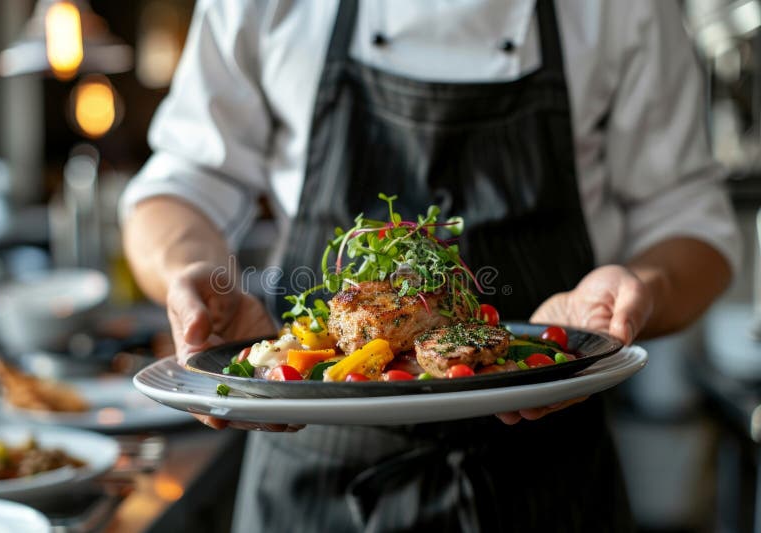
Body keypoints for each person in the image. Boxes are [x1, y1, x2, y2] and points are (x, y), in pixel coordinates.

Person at [121, 0, 741, 531]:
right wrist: (189, 269)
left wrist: (639, 292)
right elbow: (179, 184)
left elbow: (692, 222)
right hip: (312, 481)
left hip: (548, 478)